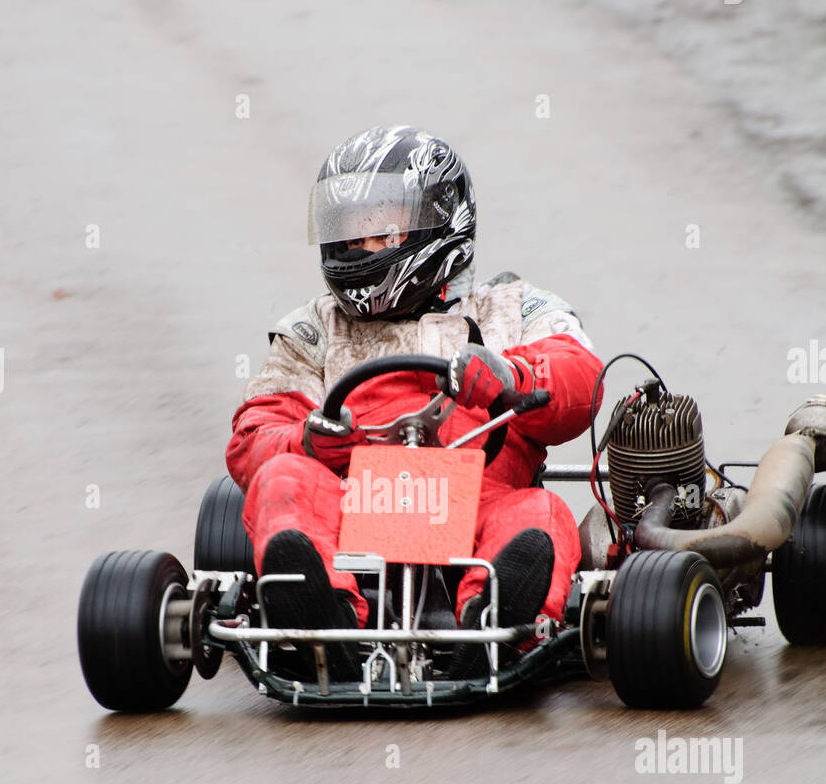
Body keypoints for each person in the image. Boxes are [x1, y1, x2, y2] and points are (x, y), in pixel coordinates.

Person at [226, 125, 603, 679]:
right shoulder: (314, 328)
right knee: (282, 481)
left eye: (379, 233)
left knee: (540, 516)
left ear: (439, 222)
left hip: (480, 491)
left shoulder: (510, 309)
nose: (361, 249)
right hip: (353, 494)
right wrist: (304, 439)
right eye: (350, 236)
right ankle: (324, 622)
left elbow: (581, 380)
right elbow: (254, 434)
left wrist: (511, 374)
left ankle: (491, 621)